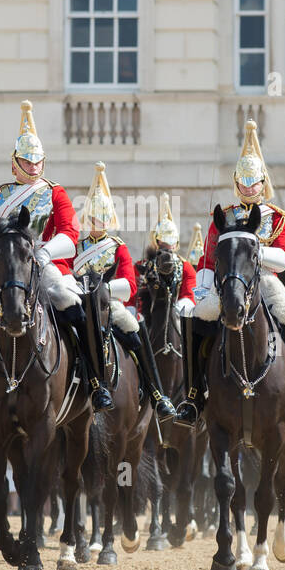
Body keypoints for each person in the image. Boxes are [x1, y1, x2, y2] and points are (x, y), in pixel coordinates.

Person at [0, 100, 113, 421]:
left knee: (71, 303)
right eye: (27, 162)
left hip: (47, 268)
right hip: (7, 272)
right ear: (14, 163)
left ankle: (94, 377)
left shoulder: (55, 193)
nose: (34, 167)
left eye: (38, 162)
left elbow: (70, 232)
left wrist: (44, 252)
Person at [178, 120, 285, 425]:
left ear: (262, 183)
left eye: (253, 182)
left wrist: (256, 252)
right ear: (236, 182)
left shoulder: (277, 217)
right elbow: (207, 258)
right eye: (243, 182)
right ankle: (193, 396)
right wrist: (203, 291)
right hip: (228, 282)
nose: (248, 187)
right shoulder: (224, 216)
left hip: (264, 281)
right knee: (199, 321)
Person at [69, 162, 177, 421]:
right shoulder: (75, 246)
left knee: (135, 328)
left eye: (102, 218)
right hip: (80, 302)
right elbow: (65, 274)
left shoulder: (118, 247)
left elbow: (128, 284)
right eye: (93, 217)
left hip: (109, 304)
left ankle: (157, 393)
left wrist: (101, 289)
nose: (98, 223)